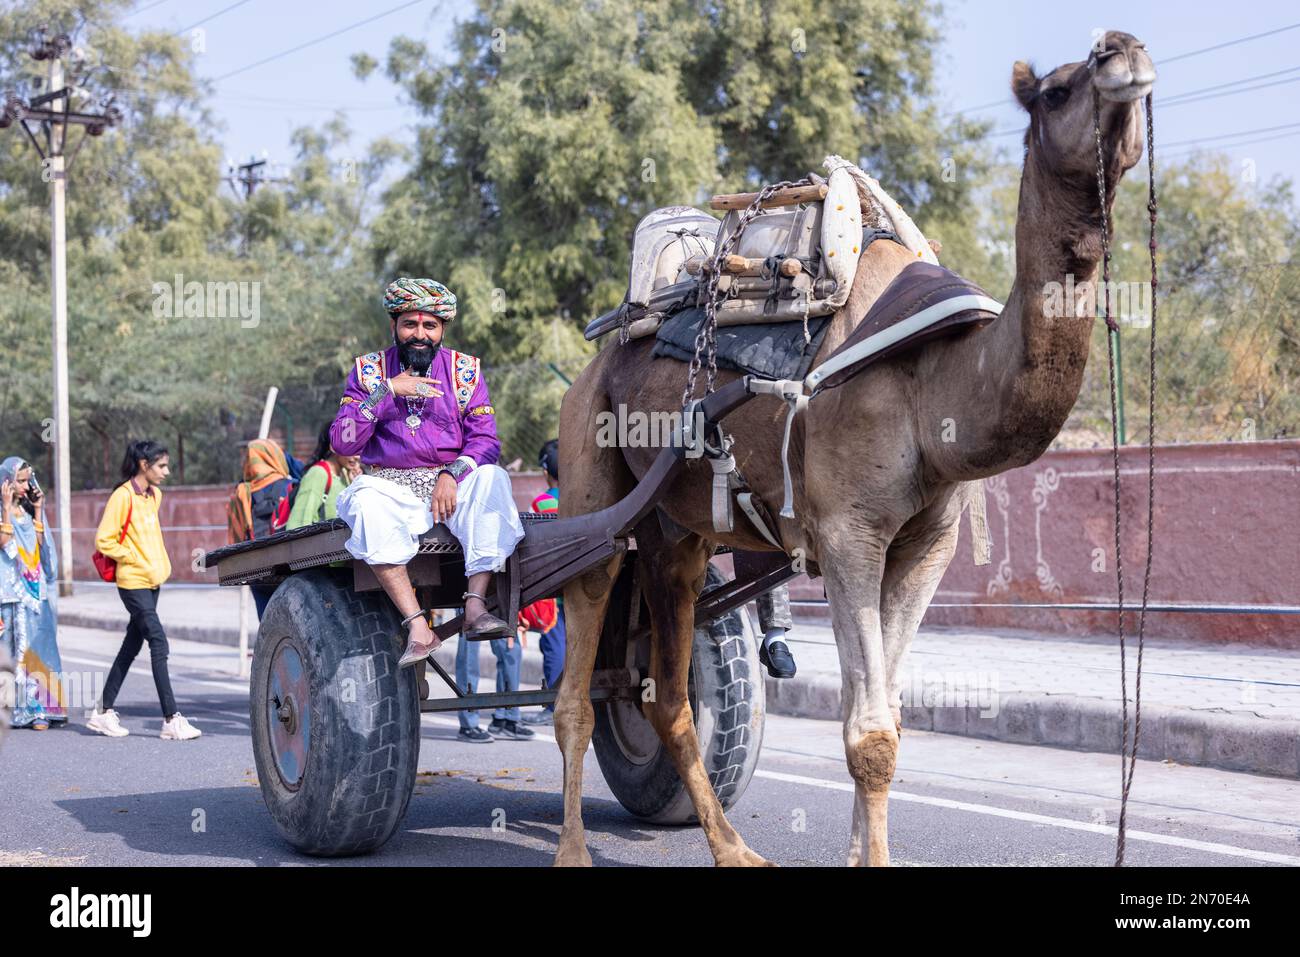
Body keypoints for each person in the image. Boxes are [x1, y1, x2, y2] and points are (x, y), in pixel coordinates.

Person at [331, 277, 525, 668]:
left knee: (494, 479)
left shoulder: (464, 371)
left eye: (429, 325)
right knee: (363, 500)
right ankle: (418, 626)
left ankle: (474, 606)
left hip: (450, 488)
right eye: (410, 324)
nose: (419, 334)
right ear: (394, 326)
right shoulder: (369, 372)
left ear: (442, 330)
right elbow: (342, 441)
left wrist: (451, 474)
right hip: (391, 488)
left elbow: (486, 440)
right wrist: (386, 392)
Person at [87, 440, 201, 740]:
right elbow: (104, 540)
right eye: (161, 465)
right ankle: (172, 718)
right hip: (132, 582)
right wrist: (132, 557)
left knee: (131, 645)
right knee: (159, 642)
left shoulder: (155, 495)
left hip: (152, 582)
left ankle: (102, 711)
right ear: (143, 465)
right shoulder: (122, 496)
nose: (167, 471)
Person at [0, 457, 67, 730]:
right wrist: (5, 507)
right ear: (6, 482)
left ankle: (40, 709)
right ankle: (13, 710)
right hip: (9, 592)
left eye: (29, 480)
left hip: (34, 589)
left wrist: (38, 510)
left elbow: (41, 545)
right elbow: (4, 542)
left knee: (36, 649)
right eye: (21, 480)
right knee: (12, 650)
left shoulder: (28, 511)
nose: (27, 486)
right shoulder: (2, 509)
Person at [521, 439, 565, 726]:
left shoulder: (543, 502)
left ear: (546, 471)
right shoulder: (586, 500)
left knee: (555, 647)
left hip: (554, 590)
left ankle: (553, 707)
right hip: (584, 586)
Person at [226, 438, 295, 619]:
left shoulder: (241, 493)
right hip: (288, 565)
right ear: (274, 457)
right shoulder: (290, 486)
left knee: (266, 623)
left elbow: (237, 535)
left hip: (256, 568)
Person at [286, 424, 361, 530]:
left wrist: (356, 484)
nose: (357, 456)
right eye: (351, 448)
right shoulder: (318, 474)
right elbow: (299, 523)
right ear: (334, 447)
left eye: (360, 448)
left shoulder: (346, 474)